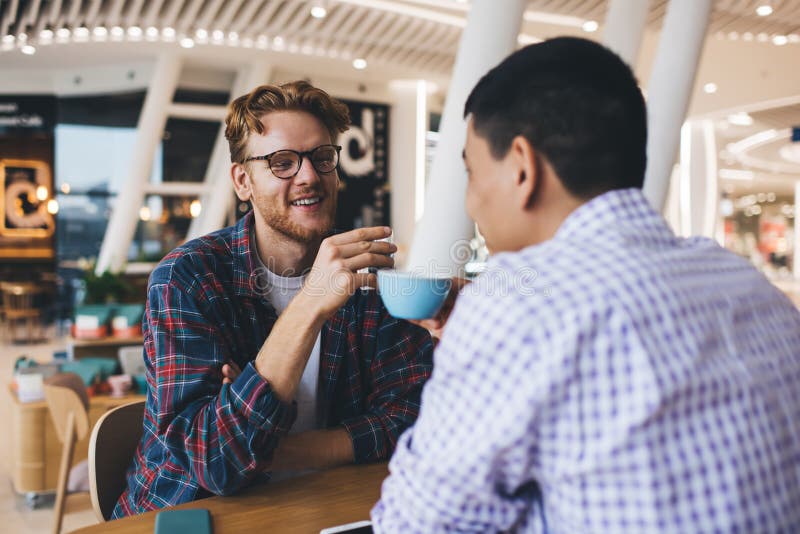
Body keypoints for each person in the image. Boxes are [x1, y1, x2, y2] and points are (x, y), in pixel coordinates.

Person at [372, 37, 800, 532]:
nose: (470, 203)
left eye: (472, 172)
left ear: (522, 166)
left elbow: (414, 525)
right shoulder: (746, 283)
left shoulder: (515, 302)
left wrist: (479, 341)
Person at [113, 81, 433, 517]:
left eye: (322, 157)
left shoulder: (367, 279)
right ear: (243, 181)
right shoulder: (187, 278)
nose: (309, 176)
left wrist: (282, 449)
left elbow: (414, 419)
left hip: (323, 504)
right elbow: (215, 462)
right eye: (282, 162)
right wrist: (310, 303)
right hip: (193, 514)